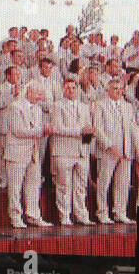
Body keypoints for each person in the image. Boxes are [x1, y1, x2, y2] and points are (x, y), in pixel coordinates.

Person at [91, 77, 139, 225]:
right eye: (115, 88)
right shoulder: (100, 105)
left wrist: (138, 146)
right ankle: (102, 212)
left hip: (126, 149)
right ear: (107, 90)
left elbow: (134, 127)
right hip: (108, 150)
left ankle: (120, 212)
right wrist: (109, 145)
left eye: (120, 89)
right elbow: (97, 128)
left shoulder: (128, 106)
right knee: (104, 182)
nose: (118, 91)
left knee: (123, 183)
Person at [49, 78, 94, 226]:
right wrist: (79, 131)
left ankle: (81, 214)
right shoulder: (56, 106)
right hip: (64, 150)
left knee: (81, 186)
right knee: (64, 185)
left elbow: (88, 127)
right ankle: (64, 216)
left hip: (81, 150)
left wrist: (88, 134)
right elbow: (57, 128)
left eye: (74, 88)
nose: (71, 90)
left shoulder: (84, 107)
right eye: (68, 88)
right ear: (63, 89)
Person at [5, 85, 50, 229]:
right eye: (38, 93)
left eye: (41, 94)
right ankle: (15, 216)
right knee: (15, 187)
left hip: (33, 152)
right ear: (29, 91)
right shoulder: (15, 106)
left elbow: (36, 130)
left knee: (33, 185)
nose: (40, 97)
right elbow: (18, 130)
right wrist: (41, 130)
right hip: (17, 152)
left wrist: (43, 131)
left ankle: (33, 215)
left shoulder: (37, 109)